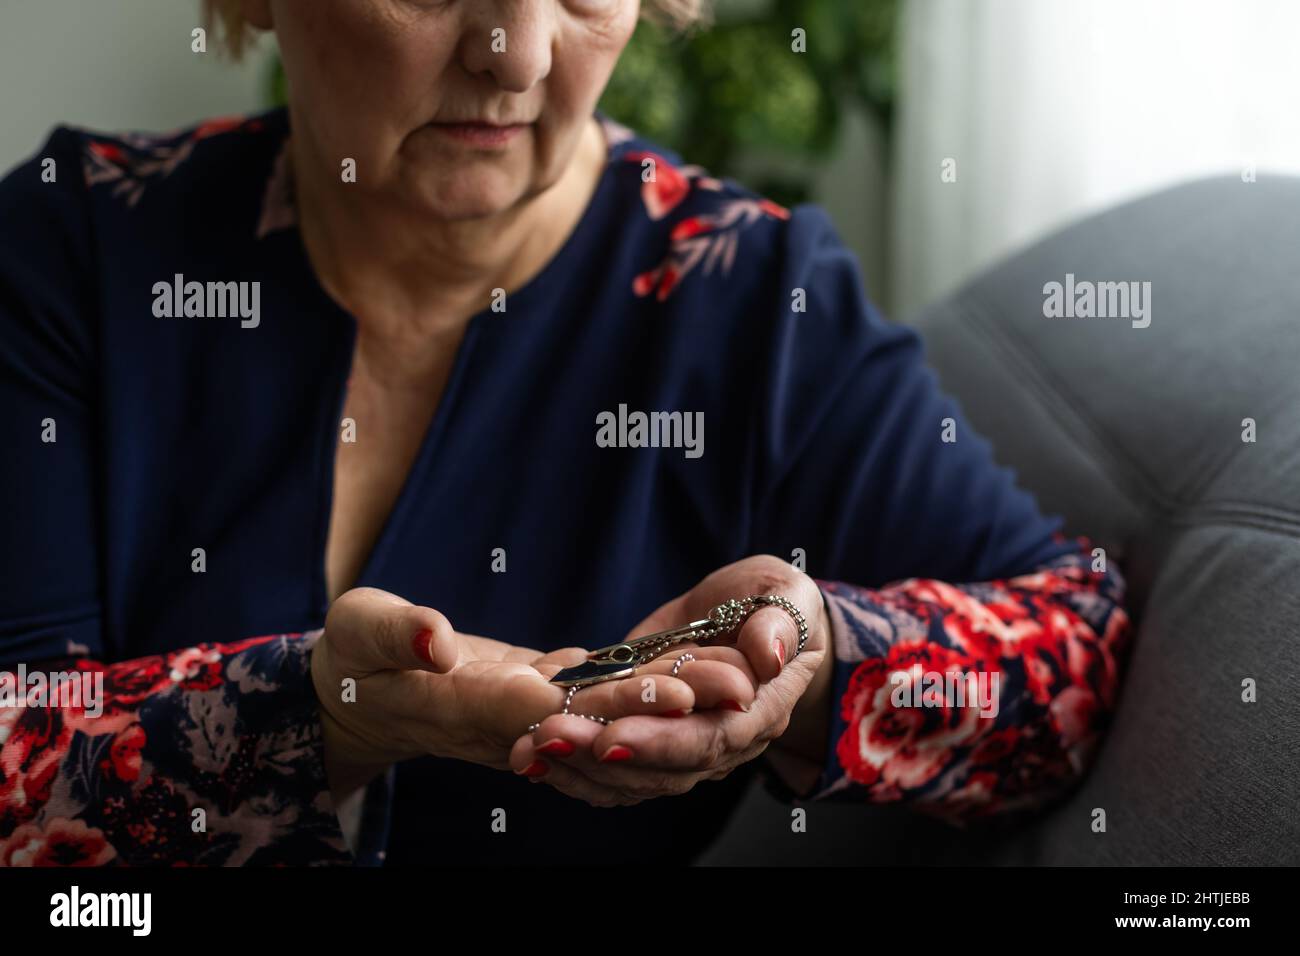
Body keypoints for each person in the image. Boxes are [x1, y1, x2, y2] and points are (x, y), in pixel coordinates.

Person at [0, 0, 1130, 866]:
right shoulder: (68, 247)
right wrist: (322, 710)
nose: (522, 53)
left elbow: (1073, 658)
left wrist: (822, 650)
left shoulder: (747, 296)